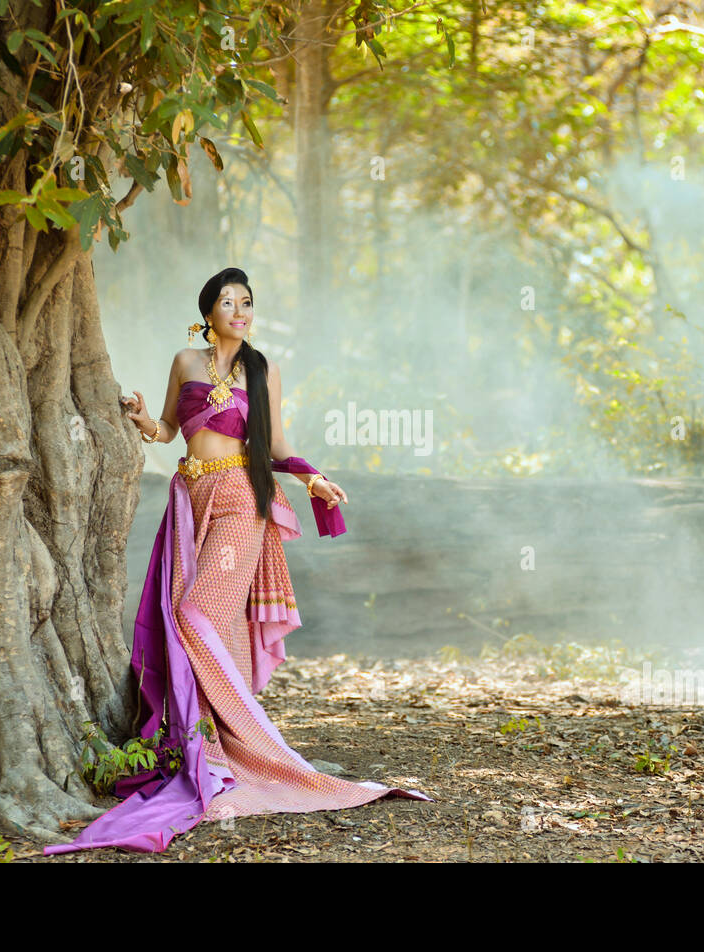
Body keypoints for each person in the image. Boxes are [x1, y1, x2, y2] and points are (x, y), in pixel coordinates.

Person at [44, 268, 430, 855]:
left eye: (247, 301)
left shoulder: (263, 369)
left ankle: (263, 746)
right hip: (190, 498)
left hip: (241, 500)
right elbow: (170, 430)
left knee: (195, 614)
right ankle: (211, 746)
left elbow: (274, 448)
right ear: (208, 312)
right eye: (229, 302)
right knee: (200, 622)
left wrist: (314, 479)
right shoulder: (185, 362)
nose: (240, 310)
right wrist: (142, 416)